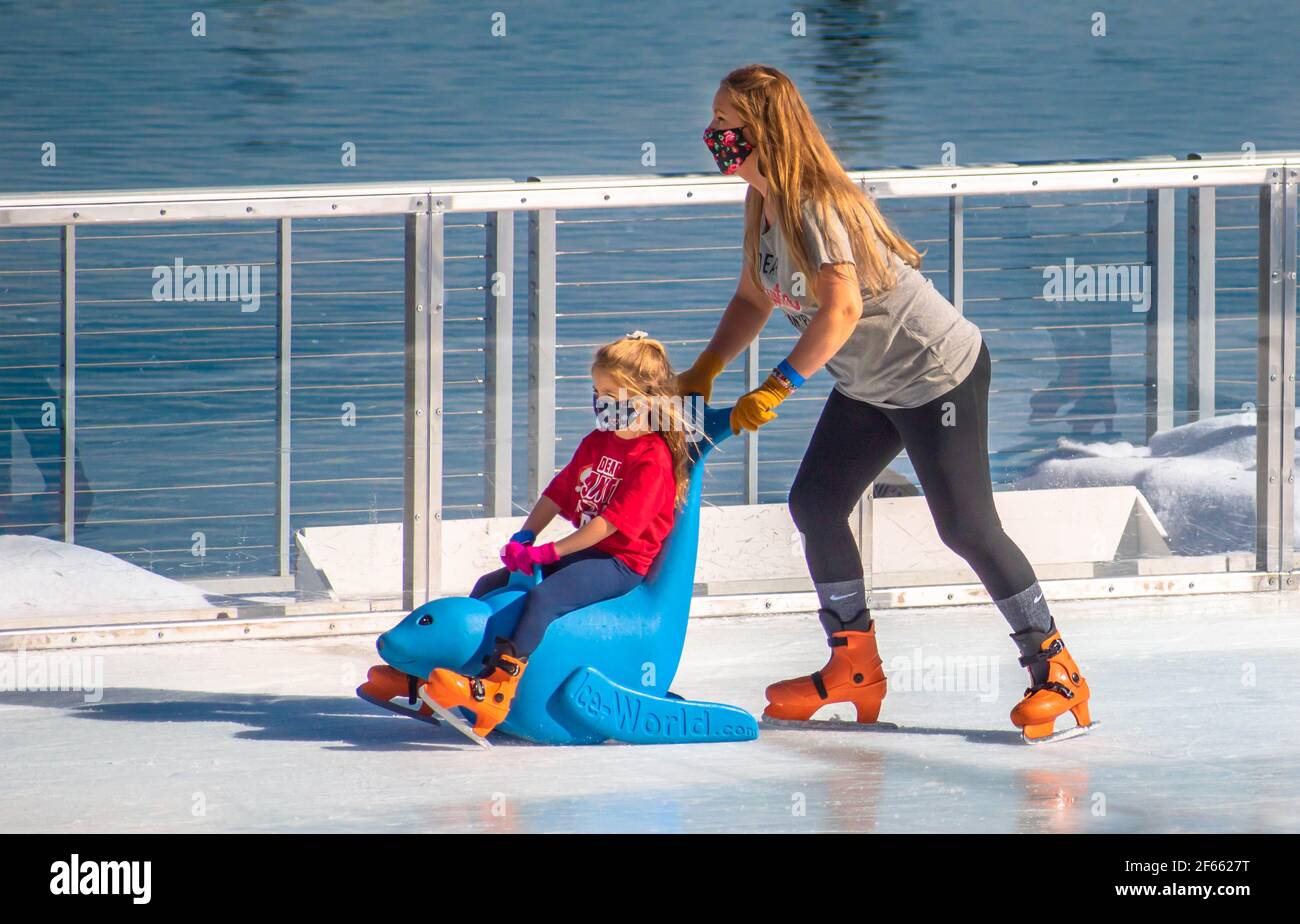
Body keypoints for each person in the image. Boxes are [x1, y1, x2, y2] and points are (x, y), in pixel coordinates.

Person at [680, 64, 1092, 741]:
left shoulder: (815, 204)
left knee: (966, 527)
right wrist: (706, 368)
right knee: (815, 504)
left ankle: (1056, 669)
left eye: (725, 123)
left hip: (936, 373)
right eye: (715, 121)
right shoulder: (764, 204)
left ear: (761, 130)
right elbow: (756, 296)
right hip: (868, 383)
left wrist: (776, 387)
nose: (713, 134)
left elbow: (839, 310)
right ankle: (854, 666)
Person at [422, 331, 691, 738]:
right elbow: (558, 492)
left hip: (619, 562)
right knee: (493, 583)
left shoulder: (651, 458)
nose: (600, 401)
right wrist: (525, 536)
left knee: (545, 597)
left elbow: (610, 525)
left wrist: (550, 553)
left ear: (645, 398)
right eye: (597, 391)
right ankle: (453, 669)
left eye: (611, 393)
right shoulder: (598, 442)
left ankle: (497, 689)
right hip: (587, 551)